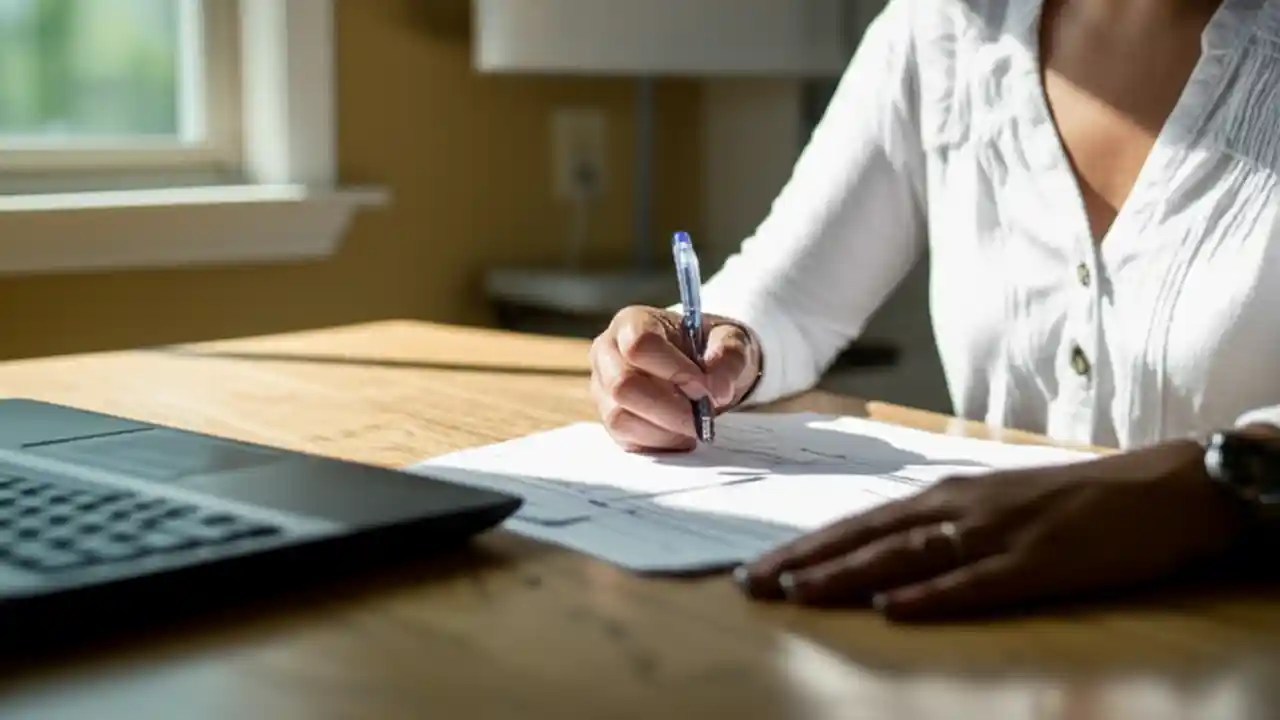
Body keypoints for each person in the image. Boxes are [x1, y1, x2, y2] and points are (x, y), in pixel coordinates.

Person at [588, 0, 1280, 620]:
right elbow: (787, 299)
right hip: (996, 637)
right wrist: (710, 346)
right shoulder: (944, 28)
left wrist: (1207, 488)